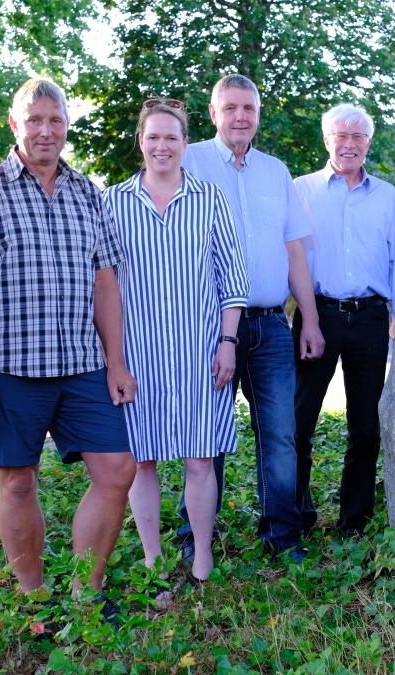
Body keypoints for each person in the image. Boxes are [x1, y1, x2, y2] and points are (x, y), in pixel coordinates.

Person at [0, 78, 137, 612]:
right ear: (14, 124)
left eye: (55, 120)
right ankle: (34, 600)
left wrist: (115, 362)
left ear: (67, 124)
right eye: (34, 120)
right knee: (18, 483)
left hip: (81, 366)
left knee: (117, 470)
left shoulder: (89, 193)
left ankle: (85, 595)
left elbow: (104, 283)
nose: (45, 130)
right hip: (9, 369)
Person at [177, 74, 323, 561]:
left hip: (270, 325)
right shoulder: (188, 160)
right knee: (207, 434)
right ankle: (197, 536)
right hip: (209, 326)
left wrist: (312, 319)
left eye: (249, 109)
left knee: (279, 433)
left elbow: (294, 251)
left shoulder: (276, 172)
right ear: (214, 112)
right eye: (231, 107)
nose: (241, 116)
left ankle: (281, 535)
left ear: (258, 115)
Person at [104, 99, 249, 582]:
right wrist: (112, 359)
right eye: (153, 137)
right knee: (140, 459)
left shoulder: (210, 199)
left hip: (201, 351)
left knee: (200, 457)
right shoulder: (113, 203)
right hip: (137, 355)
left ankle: (202, 558)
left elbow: (233, 279)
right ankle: (152, 559)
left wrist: (228, 342)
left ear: (186, 143)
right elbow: (101, 285)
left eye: (172, 137)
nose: (162, 145)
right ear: (141, 142)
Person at [292, 104, 395, 534]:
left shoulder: (385, 196)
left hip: (369, 321)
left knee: (365, 425)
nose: (348, 143)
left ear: (368, 142)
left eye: (357, 136)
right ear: (326, 141)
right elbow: (289, 258)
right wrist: (305, 315)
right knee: (298, 423)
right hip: (315, 316)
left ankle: (354, 522)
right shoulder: (300, 191)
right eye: (340, 136)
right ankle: (297, 517)